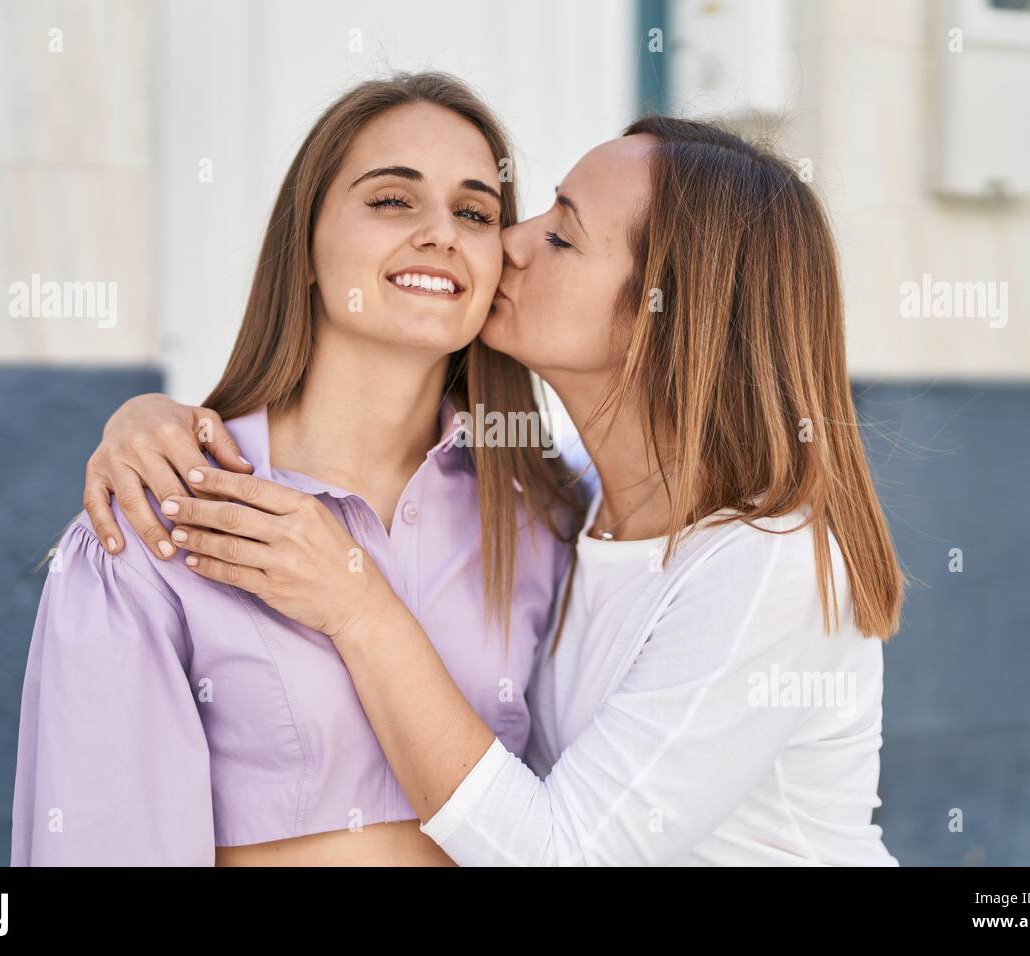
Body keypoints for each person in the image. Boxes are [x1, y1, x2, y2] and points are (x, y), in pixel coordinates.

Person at [82, 114, 907, 864]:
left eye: (563, 237)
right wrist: (150, 419)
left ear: (663, 314)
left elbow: (563, 856)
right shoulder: (571, 514)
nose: (512, 241)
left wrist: (357, 605)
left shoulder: (767, 566)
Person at [10, 72, 579, 867]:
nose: (442, 232)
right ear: (305, 249)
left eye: (475, 212)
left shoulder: (547, 520)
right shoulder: (159, 515)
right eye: (393, 199)